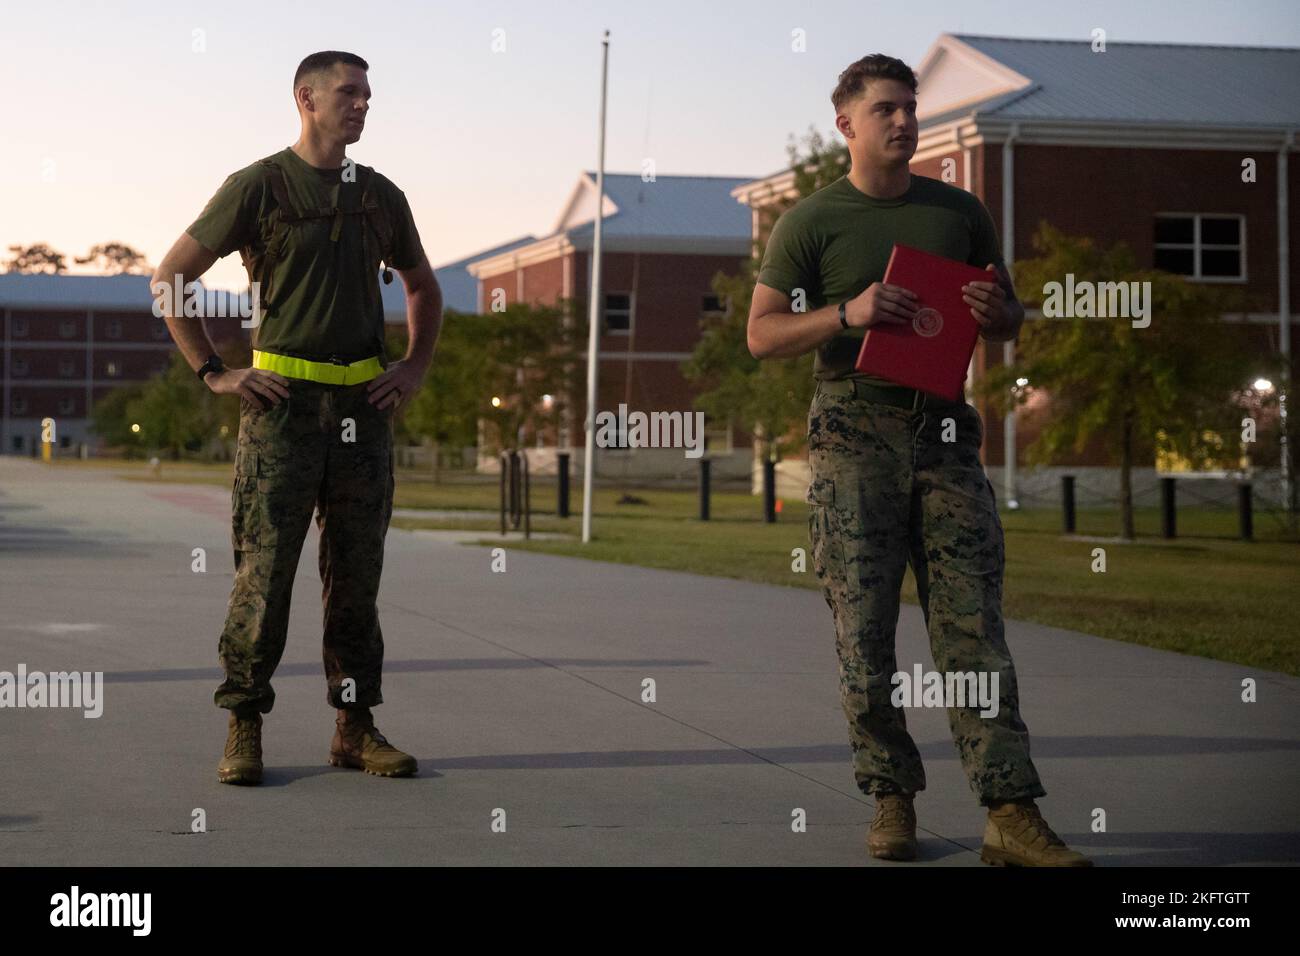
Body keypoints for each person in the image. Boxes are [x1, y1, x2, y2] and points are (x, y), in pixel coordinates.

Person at [747, 54, 1089, 866]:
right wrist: (848, 312)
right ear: (847, 124)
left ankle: (1009, 810)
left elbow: (1006, 315)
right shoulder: (810, 221)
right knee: (864, 633)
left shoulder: (959, 213)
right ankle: (890, 796)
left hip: (943, 433)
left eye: (910, 107)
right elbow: (761, 335)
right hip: (852, 432)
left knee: (974, 630)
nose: (904, 121)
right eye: (886, 110)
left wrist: (1001, 312)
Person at [152, 50, 443, 785]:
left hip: (363, 411)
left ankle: (355, 728)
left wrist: (412, 369)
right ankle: (244, 726)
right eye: (349, 93)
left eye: (368, 94)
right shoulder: (258, 185)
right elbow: (172, 277)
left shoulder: (381, 196)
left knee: (357, 579)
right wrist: (214, 372)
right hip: (281, 408)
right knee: (265, 573)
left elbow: (423, 288)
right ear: (306, 99)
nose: (363, 104)